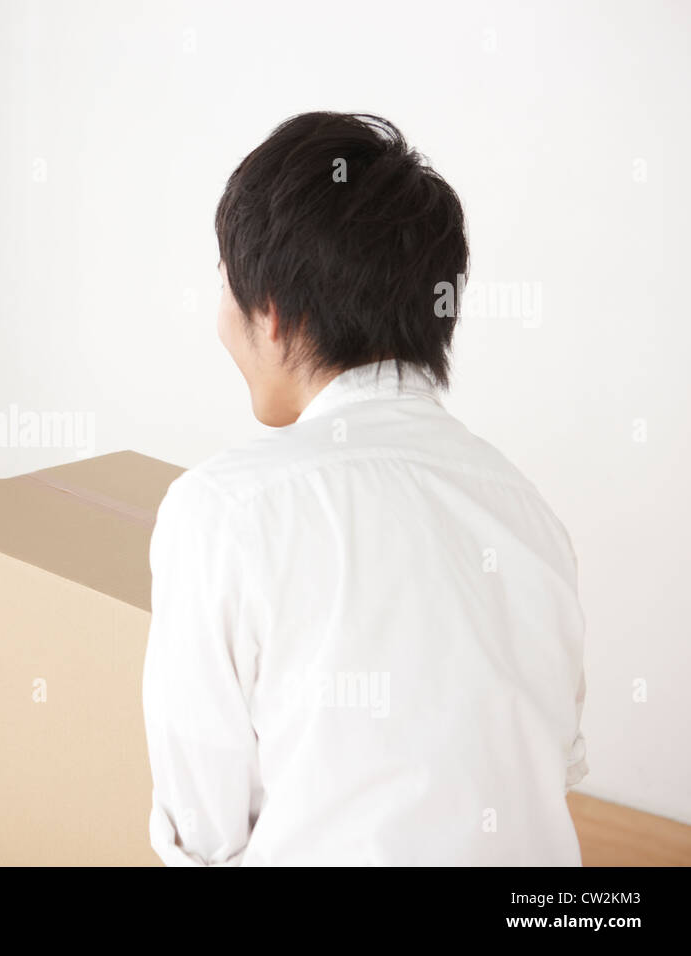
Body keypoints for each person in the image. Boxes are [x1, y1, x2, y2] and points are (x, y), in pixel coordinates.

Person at [142, 112, 588, 865]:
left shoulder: (222, 510)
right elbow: (544, 771)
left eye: (225, 283)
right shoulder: (526, 509)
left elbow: (205, 834)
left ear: (274, 314)